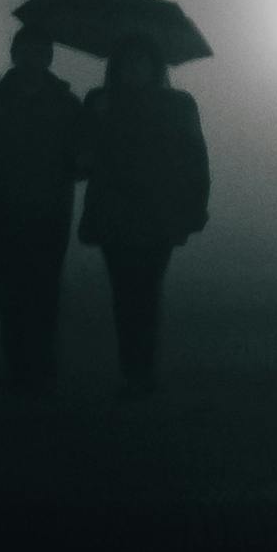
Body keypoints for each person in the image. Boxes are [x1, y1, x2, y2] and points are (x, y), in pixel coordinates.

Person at [0, 26, 86, 389]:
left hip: (46, 209)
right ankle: (26, 362)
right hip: (12, 207)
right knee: (13, 287)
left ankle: (35, 362)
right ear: (17, 54)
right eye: (28, 50)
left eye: (38, 51)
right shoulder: (41, 102)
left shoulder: (56, 104)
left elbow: (82, 159)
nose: (33, 58)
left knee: (40, 287)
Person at [76, 39, 210, 396]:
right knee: (125, 290)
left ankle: (140, 367)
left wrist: (195, 206)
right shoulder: (100, 103)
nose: (135, 69)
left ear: (155, 67)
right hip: (117, 210)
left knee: (146, 288)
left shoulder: (178, 105)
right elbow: (81, 161)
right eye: (128, 62)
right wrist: (95, 123)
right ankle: (134, 367)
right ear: (116, 67)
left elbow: (195, 159)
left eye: (142, 62)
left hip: (155, 212)